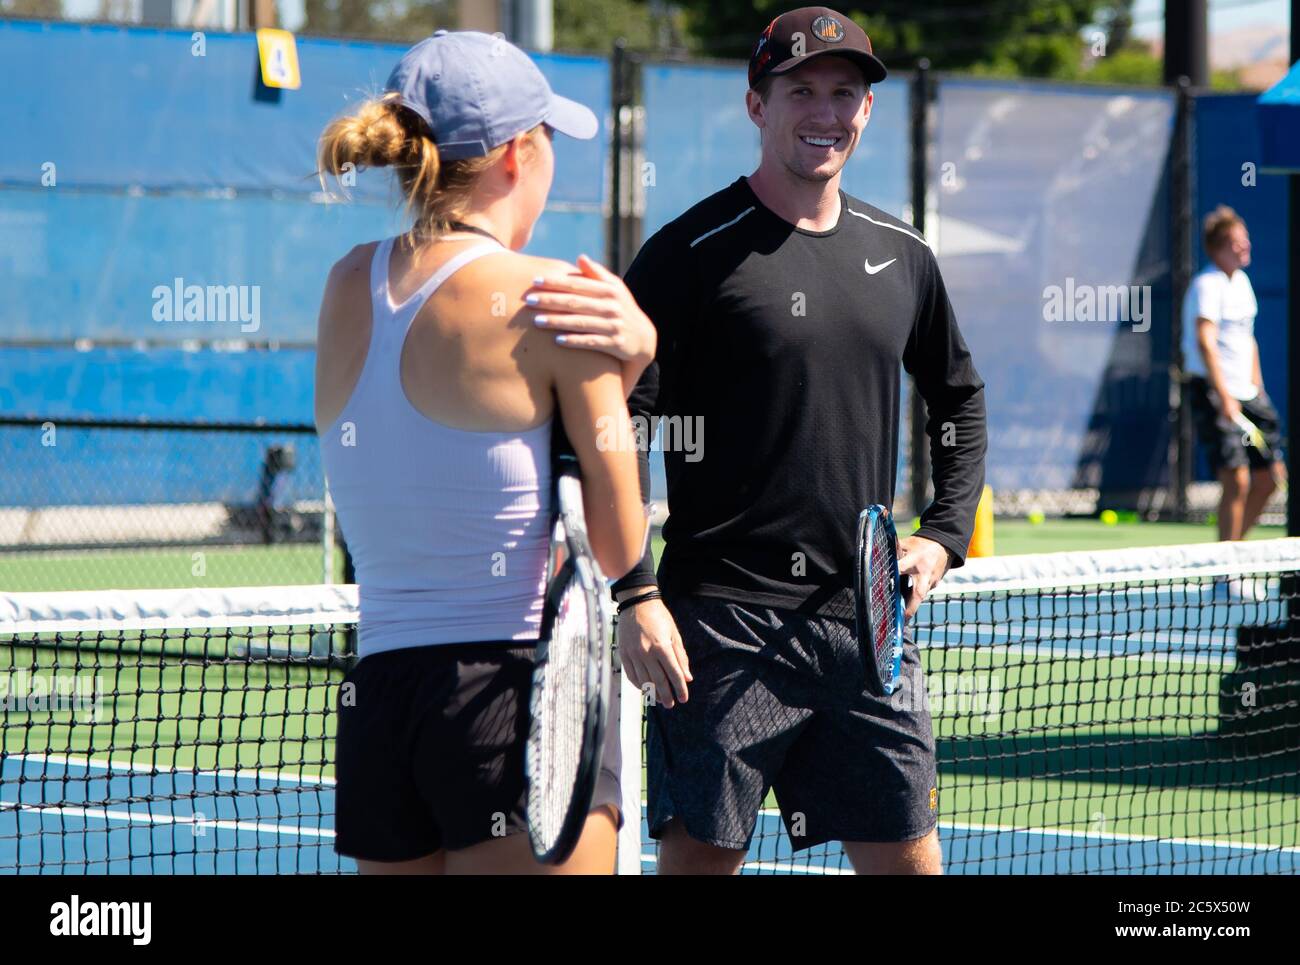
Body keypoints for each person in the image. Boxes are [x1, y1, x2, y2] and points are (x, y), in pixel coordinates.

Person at [529, 6, 986, 874]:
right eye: (801, 90)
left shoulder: (905, 256)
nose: (826, 111)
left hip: (867, 627)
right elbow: (605, 430)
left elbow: (959, 398)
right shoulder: (686, 254)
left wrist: (944, 533)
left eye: (844, 93)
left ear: (868, 110)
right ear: (755, 106)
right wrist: (634, 595)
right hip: (718, 631)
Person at [313, 30, 656, 874]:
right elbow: (618, 547)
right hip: (516, 693)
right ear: (515, 154)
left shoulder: (342, 286)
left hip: (379, 702)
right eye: (546, 142)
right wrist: (635, 362)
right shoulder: (551, 299)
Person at [1184, 205, 1284, 543]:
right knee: (1237, 480)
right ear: (1217, 249)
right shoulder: (1207, 285)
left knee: (1270, 479)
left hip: (1248, 394)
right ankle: (1225, 572)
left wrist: (1258, 389)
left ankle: (1231, 555)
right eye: (1237, 243)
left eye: (1246, 240)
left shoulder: (1242, 283)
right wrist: (1224, 395)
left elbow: (1248, 340)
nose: (1246, 247)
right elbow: (1205, 342)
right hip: (1214, 393)